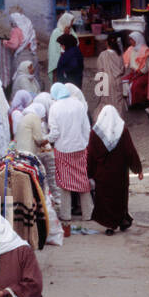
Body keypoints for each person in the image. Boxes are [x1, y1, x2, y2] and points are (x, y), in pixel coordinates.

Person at [88, 105, 143, 234]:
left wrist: (89, 173)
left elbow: (90, 154)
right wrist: (137, 168)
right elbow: (130, 151)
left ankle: (110, 225)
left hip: (102, 174)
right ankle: (122, 220)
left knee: (105, 199)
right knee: (120, 198)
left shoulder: (95, 133)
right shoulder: (122, 130)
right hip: (120, 174)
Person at [46, 82, 93, 226]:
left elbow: (55, 133)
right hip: (80, 148)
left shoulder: (55, 107)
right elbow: (87, 127)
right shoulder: (78, 104)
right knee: (82, 179)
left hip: (62, 150)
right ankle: (88, 213)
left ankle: (66, 215)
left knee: (64, 182)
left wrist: (45, 140)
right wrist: (84, 143)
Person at [91, 35, 126, 123]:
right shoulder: (119, 55)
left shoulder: (103, 55)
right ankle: (118, 122)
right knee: (117, 102)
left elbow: (100, 70)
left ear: (107, 43)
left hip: (106, 81)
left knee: (106, 102)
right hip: (117, 81)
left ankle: (106, 122)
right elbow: (123, 70)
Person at [47, 12, 76, 85]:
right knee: (57, 78)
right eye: (70, 22)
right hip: (58, 60)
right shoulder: (56, 32)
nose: (71, 25)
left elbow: (76, 42)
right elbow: (53, 50)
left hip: (68, 60)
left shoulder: (71, 31)